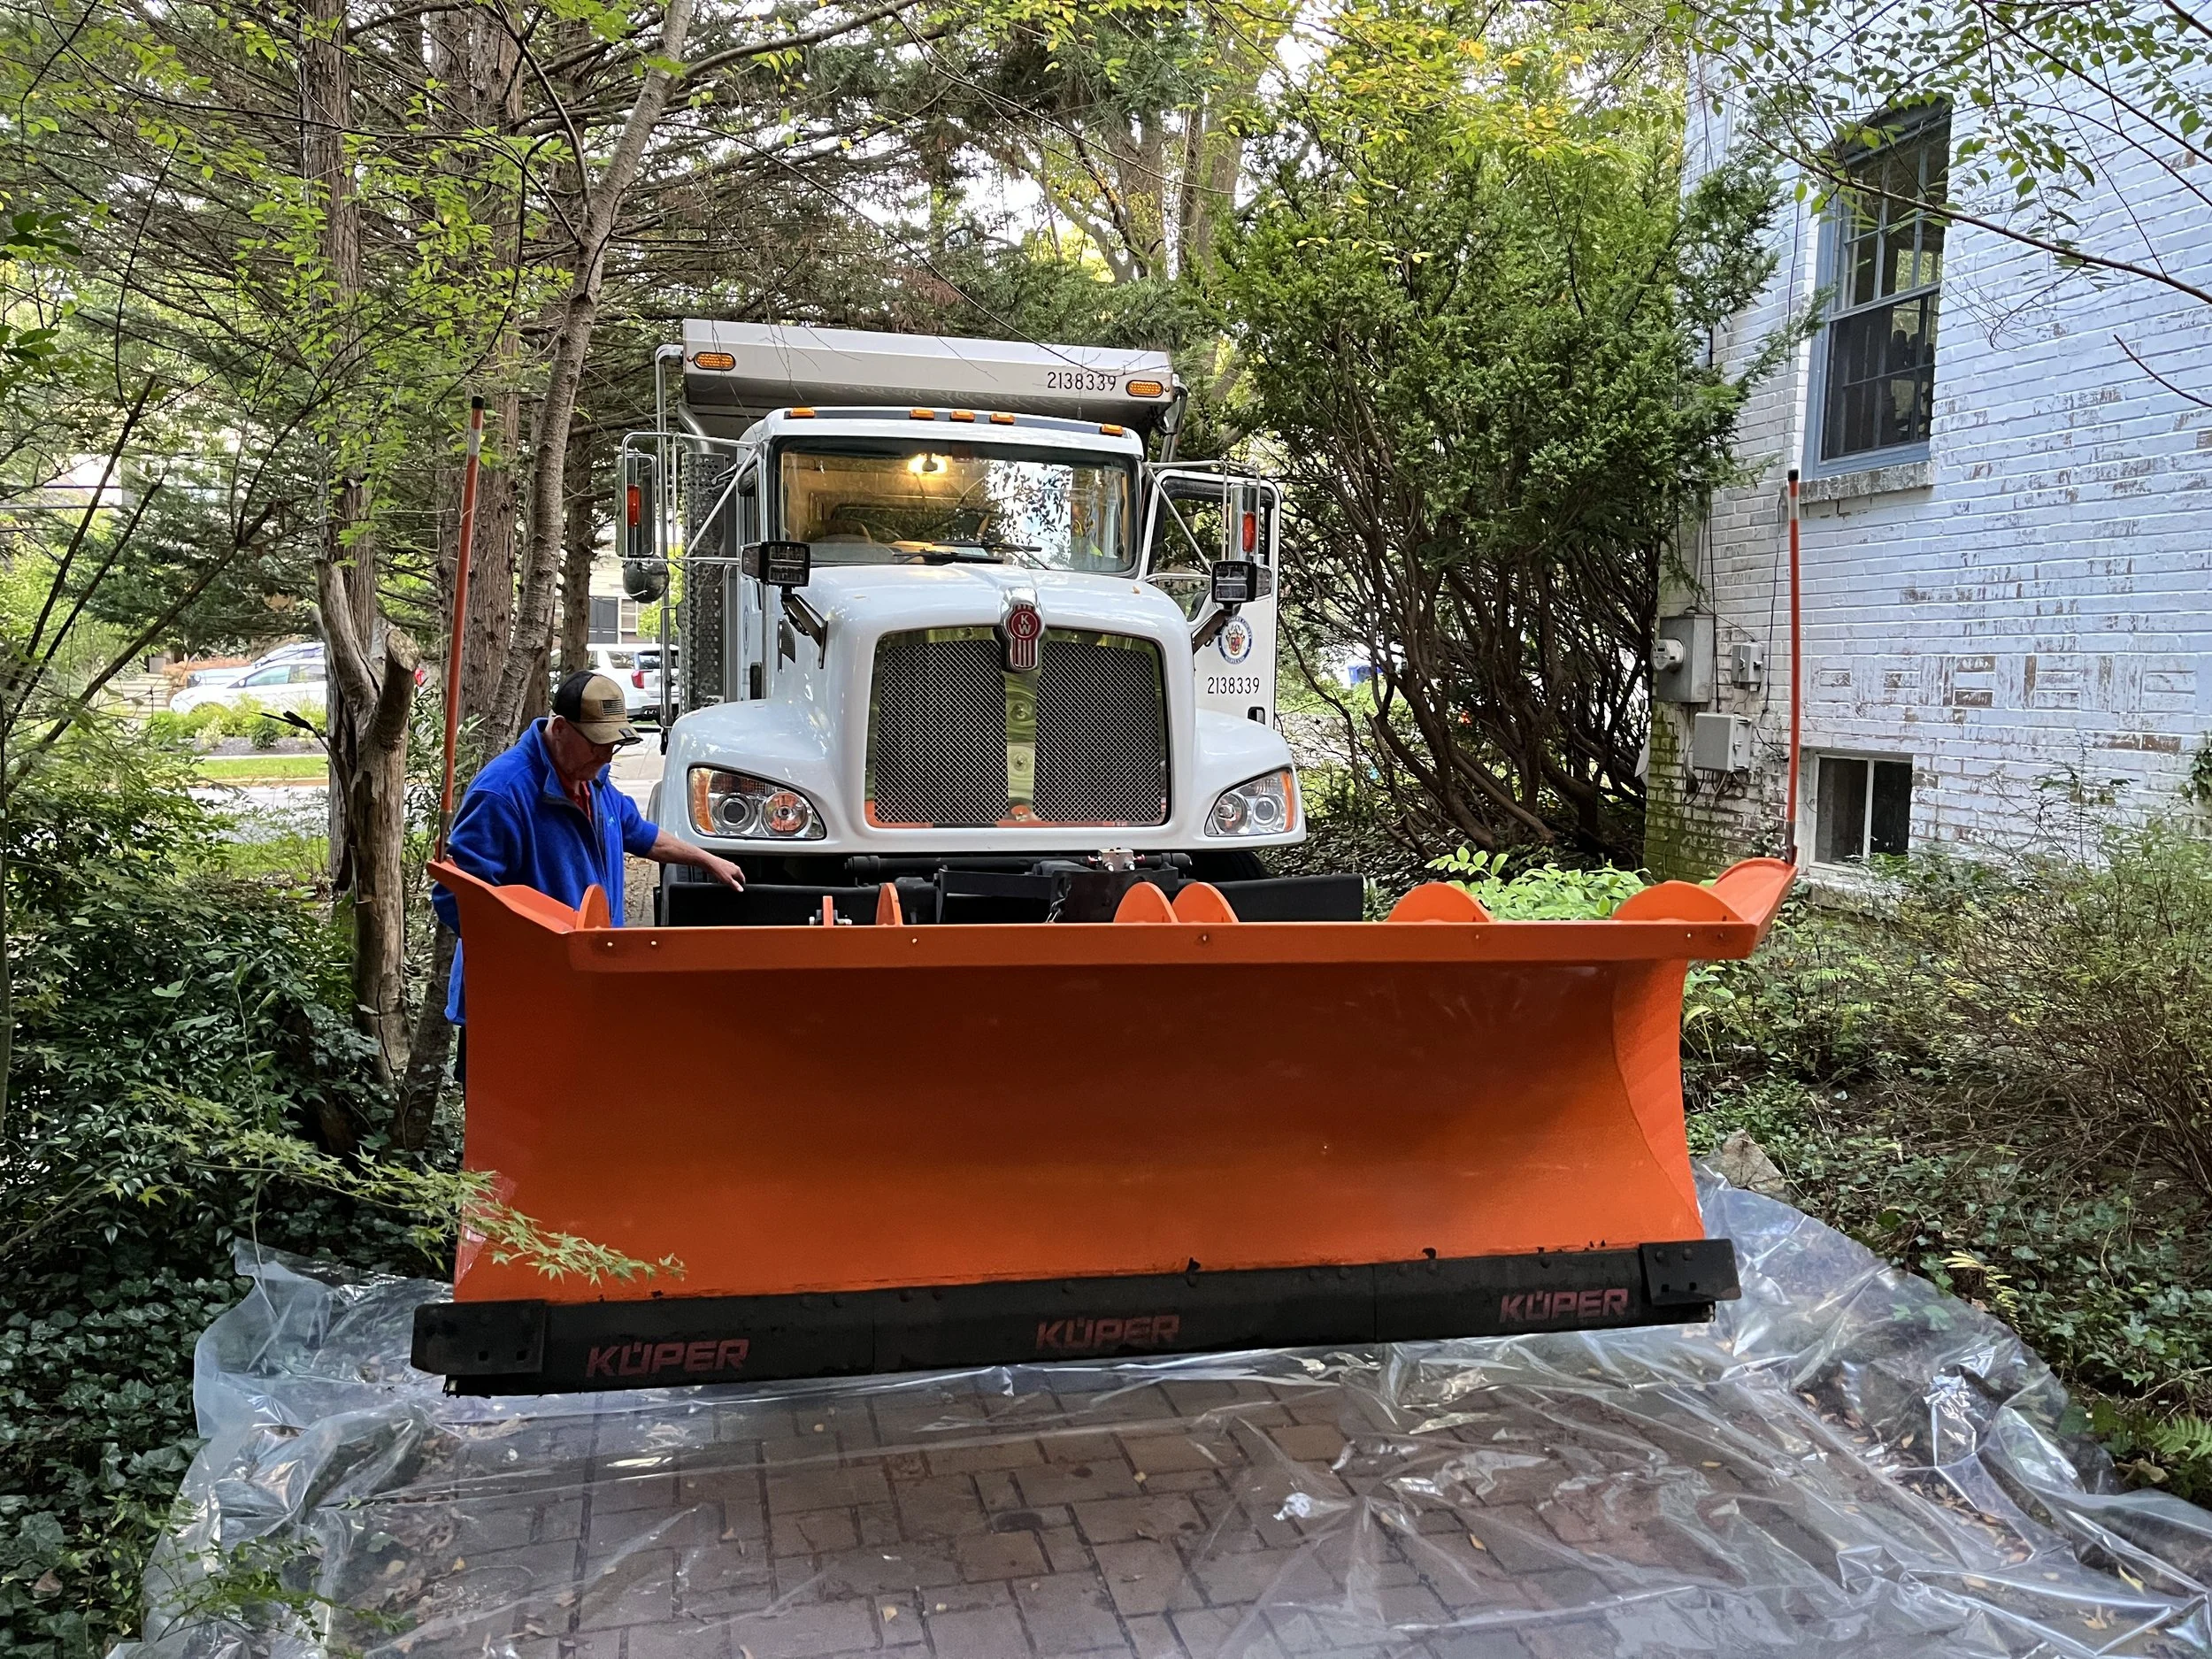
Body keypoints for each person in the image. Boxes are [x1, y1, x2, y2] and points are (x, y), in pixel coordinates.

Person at [432, 671, 742, 1074]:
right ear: (559, 729)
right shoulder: (503, 793)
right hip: (516, 1009)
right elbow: (458, 897)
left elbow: (635, 830)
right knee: (512, 1127)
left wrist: (705, 858)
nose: (607, 755)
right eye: (598, 744)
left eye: (614, 743)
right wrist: (534, 954)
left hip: (583, 989)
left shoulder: (592, 779)